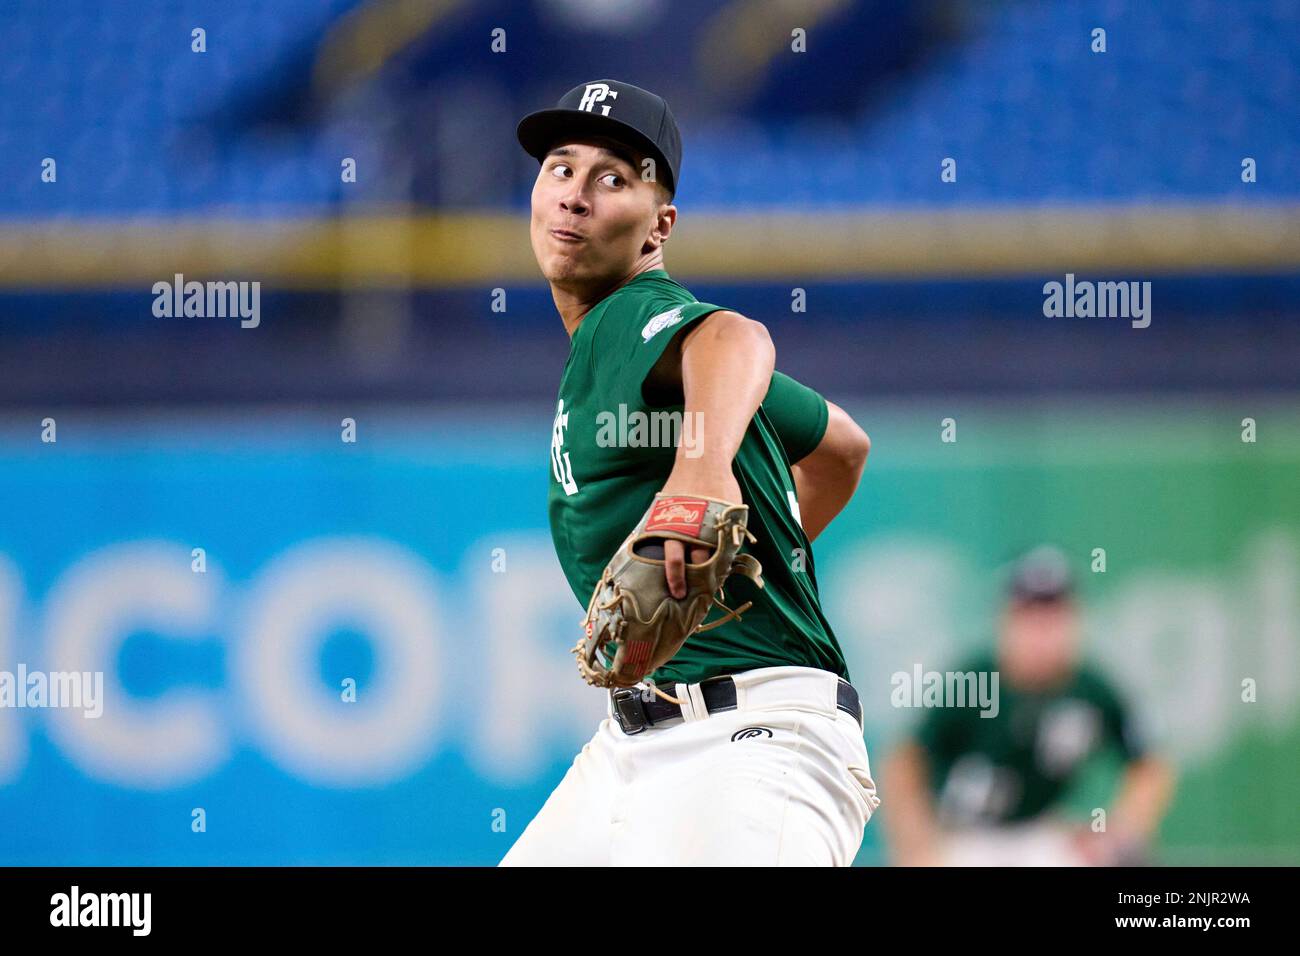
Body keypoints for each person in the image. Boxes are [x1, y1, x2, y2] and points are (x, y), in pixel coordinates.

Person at [499, 79, 879, 866]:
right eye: (559, 169)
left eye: (612, 179)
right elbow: (844, 448)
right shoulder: (644, 359)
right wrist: (739, 562)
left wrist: (701, 478)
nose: (575, 196)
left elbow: (738, 337)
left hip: (754, 743)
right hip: (634, 746)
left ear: (658, 226)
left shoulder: (631, 317)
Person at [882, 546, 1177, 866]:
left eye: (1054, 614)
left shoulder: (1089, 689)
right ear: (1005, 619)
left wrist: (1119, 833)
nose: (1042, 631)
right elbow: (903, 763)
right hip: (966, 839)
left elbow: (1150, 765)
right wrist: (915, 847)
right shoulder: (976, 680)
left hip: (1040, 837)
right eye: (1029, 615)